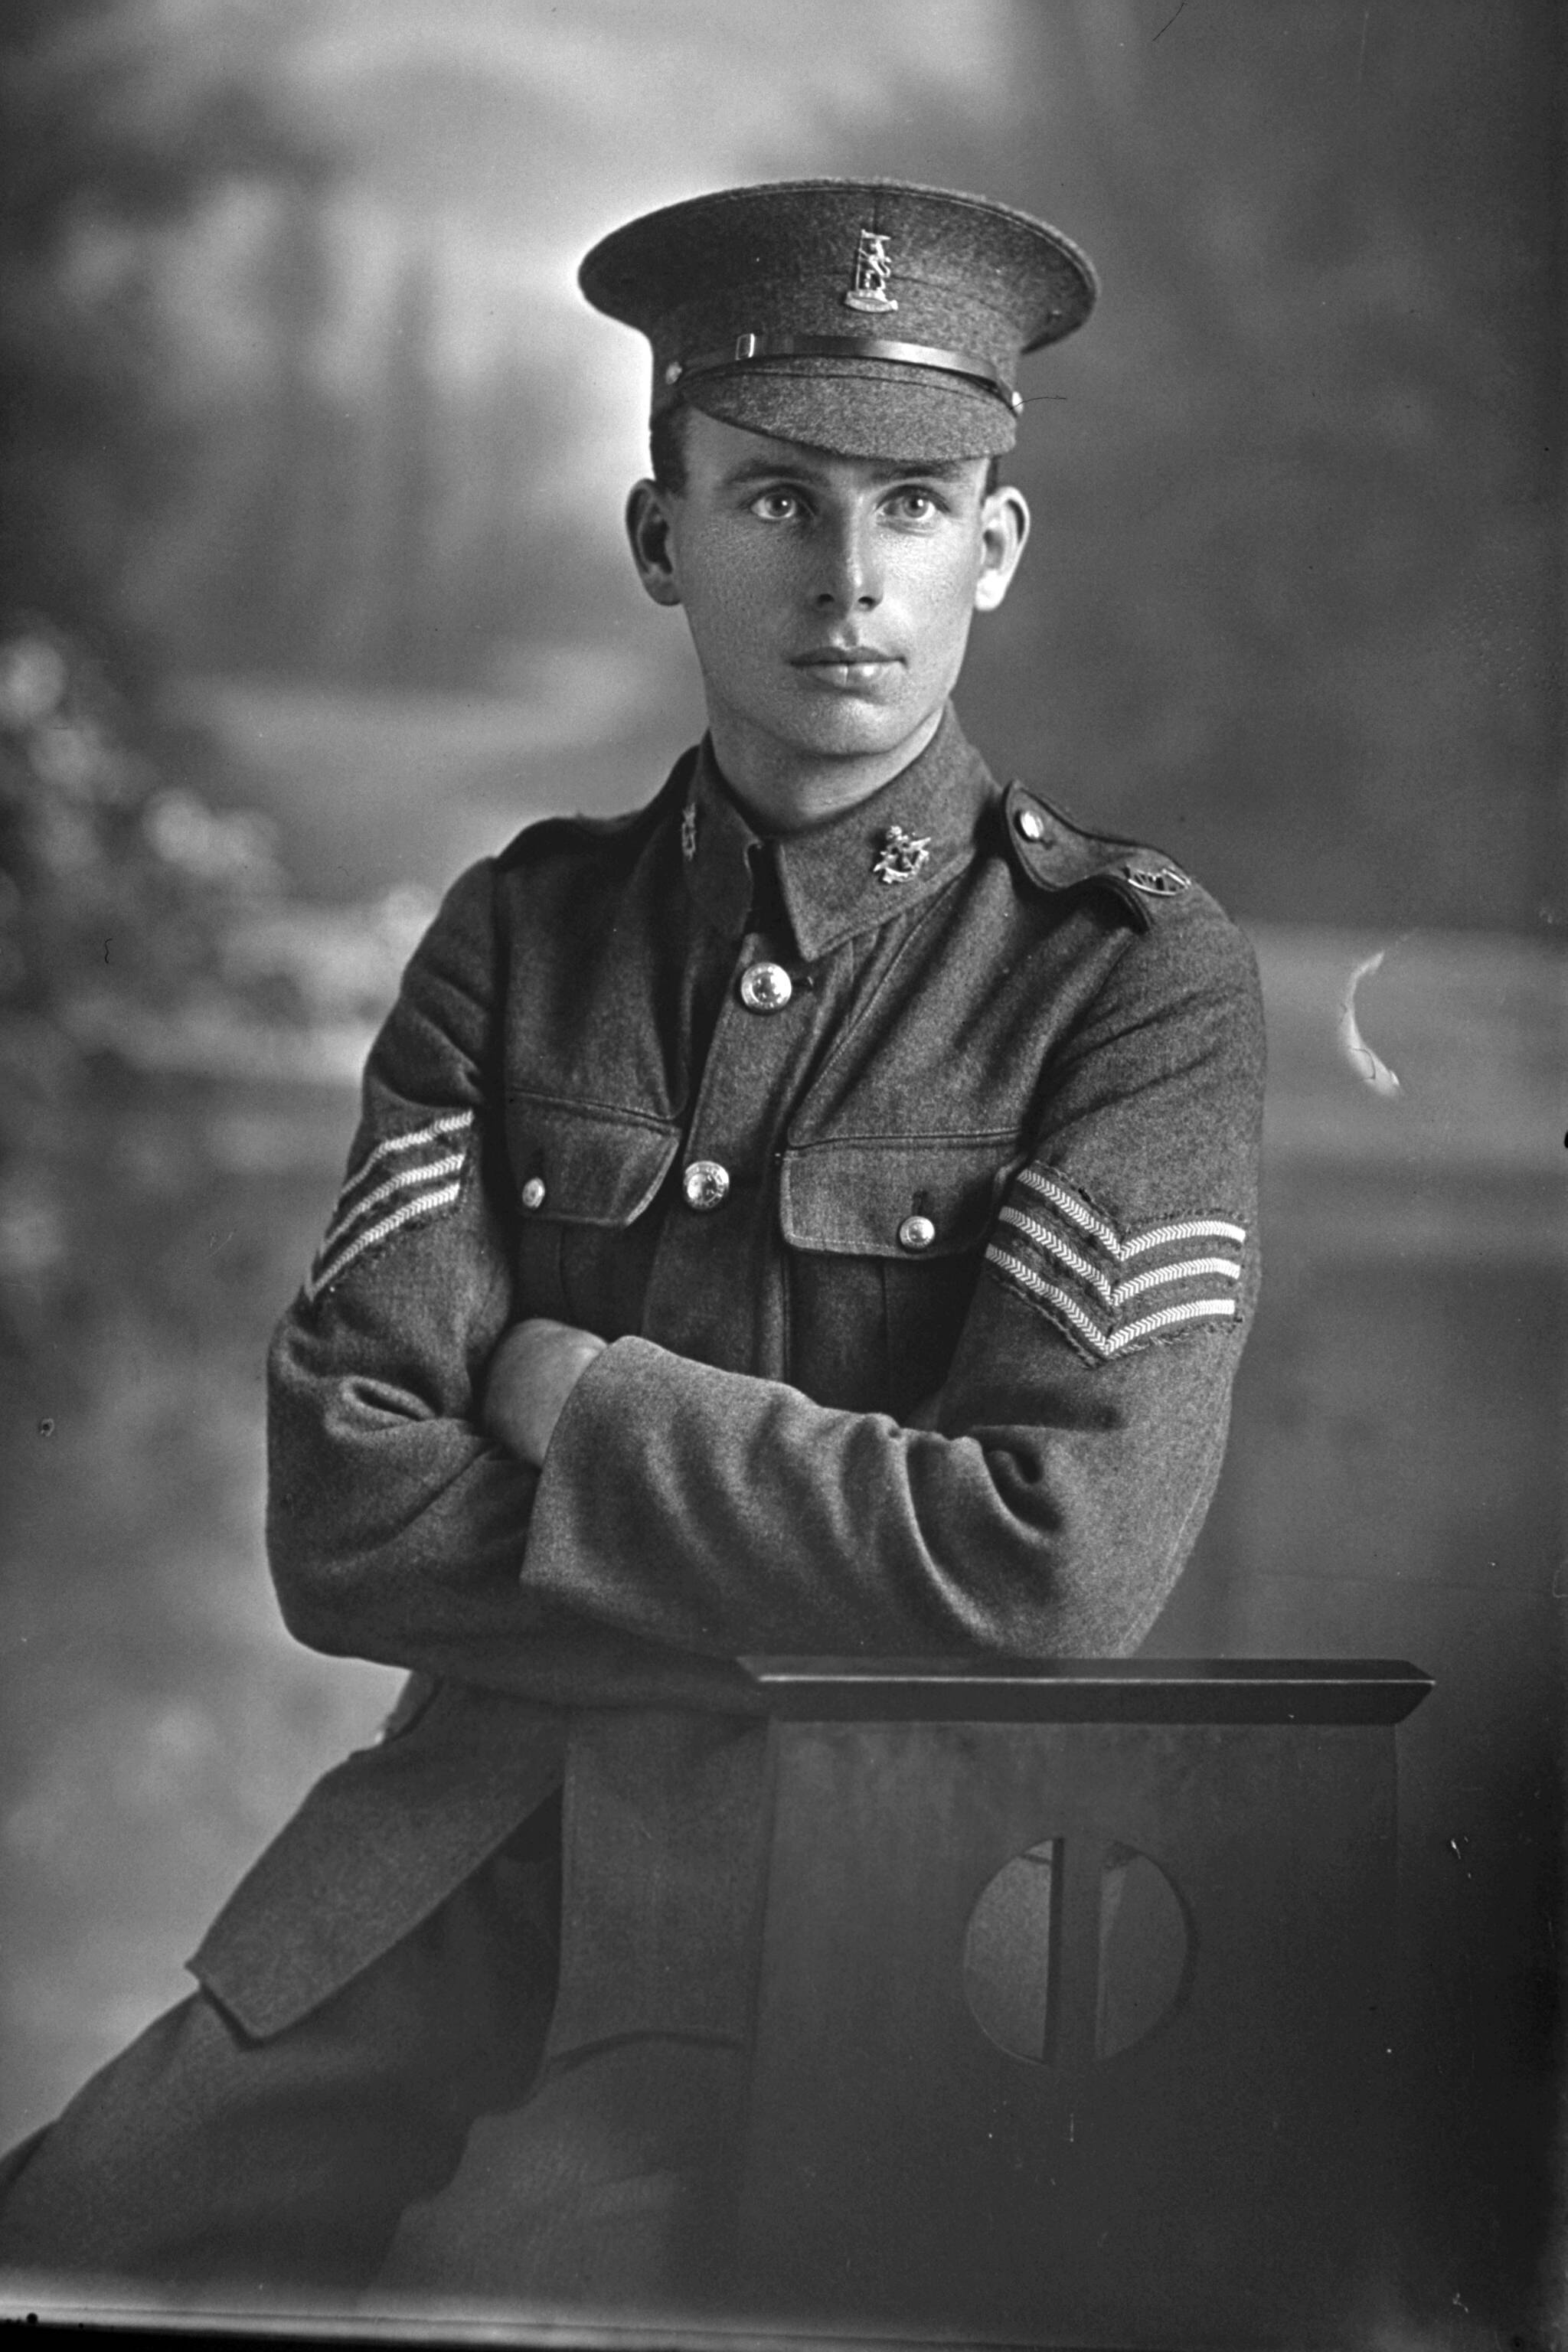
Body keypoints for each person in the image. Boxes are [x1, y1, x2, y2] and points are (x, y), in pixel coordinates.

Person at [0, 178, 1264, 2314]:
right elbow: (343, 1519)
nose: (850, 581)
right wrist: (843, 1563)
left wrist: (578, 1397)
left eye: (915, 503)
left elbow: (1061, 1566)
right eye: (777, 499)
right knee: (61, 2245)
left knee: (514, 2295)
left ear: (998, 549)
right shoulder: (523, 934)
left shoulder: (1122, 982)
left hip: (838, 1915)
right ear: (661, 538)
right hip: (440, 1865)